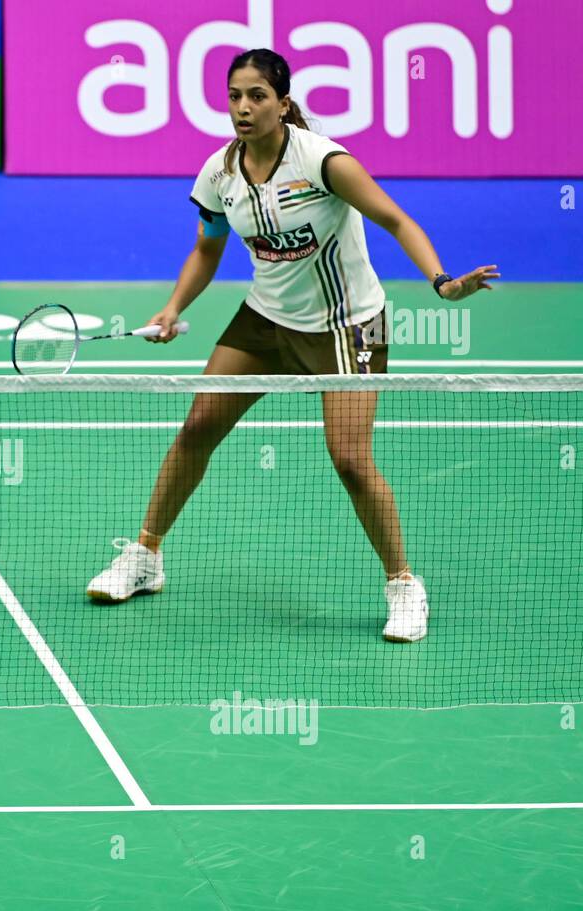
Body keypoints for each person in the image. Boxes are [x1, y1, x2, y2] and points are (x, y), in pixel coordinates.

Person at [86, 49, 497, 643]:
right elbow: (207, 248)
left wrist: (443, 282)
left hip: (350, 323)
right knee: (198, 425)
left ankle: (404, 585)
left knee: (351, 460)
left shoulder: (323, 161)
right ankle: (146, 556)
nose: (243, 108)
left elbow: (396, 220)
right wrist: (176, 308)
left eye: (257, 96)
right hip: (266, 320)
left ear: (283, 102)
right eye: (234, 96)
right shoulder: (220, 174)